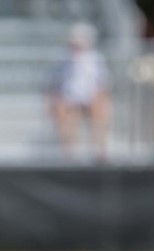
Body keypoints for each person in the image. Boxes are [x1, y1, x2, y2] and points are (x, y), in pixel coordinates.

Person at [46, 22, 111, 162]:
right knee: (64, 112)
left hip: (90, 98)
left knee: (100, 109)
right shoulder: (62, 60)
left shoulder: (96, 59)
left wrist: (97, 97)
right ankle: (69, 155)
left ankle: (99, 152)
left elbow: (102, 84)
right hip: (69, 98)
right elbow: (55, 85)